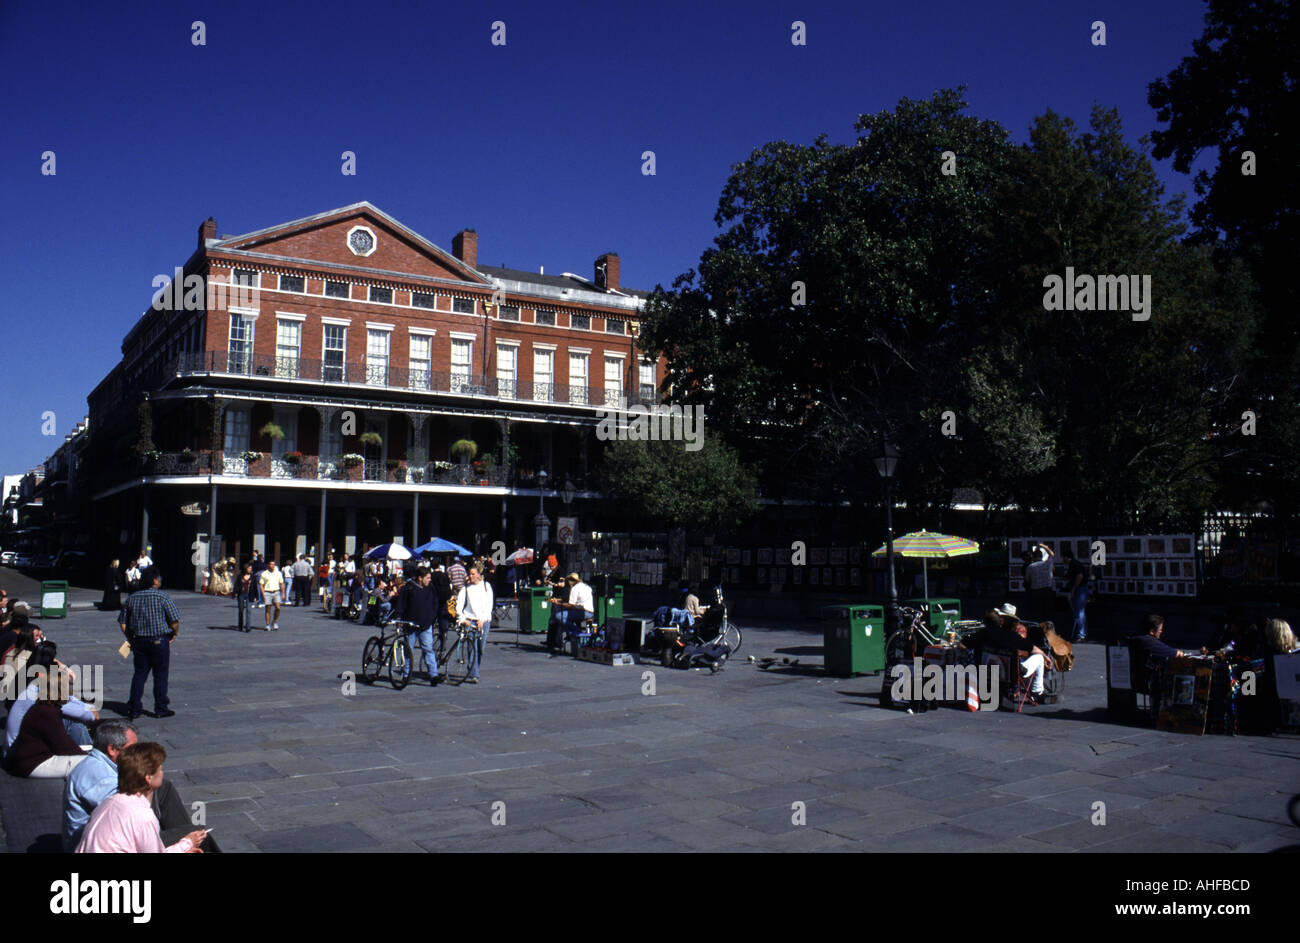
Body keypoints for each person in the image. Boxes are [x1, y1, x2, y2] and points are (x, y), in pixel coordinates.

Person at [75, 742, 207, 854]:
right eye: (160, 769)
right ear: (148, 778)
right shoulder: (142, 815)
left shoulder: (109, 802)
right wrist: (186, 844)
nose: (162, 773)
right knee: (202, 839)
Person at [6, 641, 97, 749]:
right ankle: (88, 754)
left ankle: (87, 752)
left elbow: (68, 699)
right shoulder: (39, 692)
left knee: (70, 718)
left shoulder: (35, 683)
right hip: (18, 752)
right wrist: (90, 710)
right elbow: (86, 714)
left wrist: (89, 708)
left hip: (21, 744)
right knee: (74, 722)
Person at [63, 720, 138, 851]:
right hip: (95, 846)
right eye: (132, 749)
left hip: (96, 838)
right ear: (112, 749)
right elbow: (128, 816)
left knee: (164, 789)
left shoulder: (98, 763)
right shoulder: (102, 778)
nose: (137, 754)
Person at [4, 668, 91, 778]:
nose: (70, 693)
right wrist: (89, 755)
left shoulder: (44, 707)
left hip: (30, 759)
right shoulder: (47, 713)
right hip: (32, 764)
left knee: (87, 759)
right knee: (89, 763)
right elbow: (63, 746)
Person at [118, 566, 180, 719]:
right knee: (160, 675)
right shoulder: (163, 597)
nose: (160, 581)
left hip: (139, 641)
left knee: (139, 674)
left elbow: (122, 622)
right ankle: (160, 708)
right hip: (159, 640)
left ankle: (134, 708)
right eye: (159, 579)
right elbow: (174, 621)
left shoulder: (132, 598)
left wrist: (130, 638)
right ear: (154, 580)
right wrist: (175, 634)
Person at [959, 606, 1051, 704]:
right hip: (1010, 673)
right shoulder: (1012, 636)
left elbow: (962, 644)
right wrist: (1046, 657)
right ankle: (1037, 691)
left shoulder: (982, 633)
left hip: (985, 670)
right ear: (1002, 621)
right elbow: (1032, 648)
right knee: (1039, 657)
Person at [393, 565, 442, 685]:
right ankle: (406, 674)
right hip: (411, 625)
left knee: (428, 649)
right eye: (427, 578)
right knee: (408, 651)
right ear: (420, 578)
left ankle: (434, 675)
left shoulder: (431, 588)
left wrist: (431, 617)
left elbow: (435, 603)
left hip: (425, 625)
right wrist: (399, 617)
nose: (430, 580)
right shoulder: (408, 588)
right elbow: (401, 604)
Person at [456, 566, 493, 683]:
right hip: (470, 620)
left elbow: (489, 605)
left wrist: (482, 619)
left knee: (480, 648)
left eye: (473, 574)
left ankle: (474, 667)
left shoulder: (486, 586)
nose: (470, 576)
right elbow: (459, 606)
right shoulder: (465, 589)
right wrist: (463, 619)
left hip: (483, 621)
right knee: (472, 648)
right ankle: (474, 673)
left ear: (478, 574)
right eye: (469, 574)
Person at [548, 573, 594, 651]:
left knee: (559, 616)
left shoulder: (575, 589)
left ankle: (576, 632)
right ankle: (570, 634)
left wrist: (558, 603)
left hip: (583, 612)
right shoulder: (587, 587)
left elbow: (571, 605)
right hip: (590, 611)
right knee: (564, 617)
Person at [1023, 543, 1055, 615]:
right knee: (1047, 611)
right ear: (1042, 556)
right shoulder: (1048, 563)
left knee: (1036, 611)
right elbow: (1052, 554)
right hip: (1047, 590)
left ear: (1033, 557)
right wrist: (1043, 546)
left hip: (1035, 591)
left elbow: (1027, 580)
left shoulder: (1030, 567)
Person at [260, 559, 285, 630]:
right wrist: (263, 594)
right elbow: (261, 584)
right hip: (267, 592)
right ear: (268, 565)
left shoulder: (278, 573)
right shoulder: (264, 573)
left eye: (273, 564)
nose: (272, 566)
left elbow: (281, 583)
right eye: (271, 564)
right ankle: (268, 624)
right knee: (268, 608)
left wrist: (283, 593)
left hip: (276, 591)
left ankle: (275, 621)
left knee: (278, 608)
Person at [235, 563, 254, 632]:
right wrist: (235, 593)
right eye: (249, 568)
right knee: (241, 610)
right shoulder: (240, 576)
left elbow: (254, 586)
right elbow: (236, 585)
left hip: (249, 595)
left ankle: (248, 627)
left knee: (249, 610)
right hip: (241, 594)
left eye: (251, 568)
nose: (250, 570)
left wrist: (256, 597)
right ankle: (240, 626)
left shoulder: (252, 576)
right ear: (246, 569)